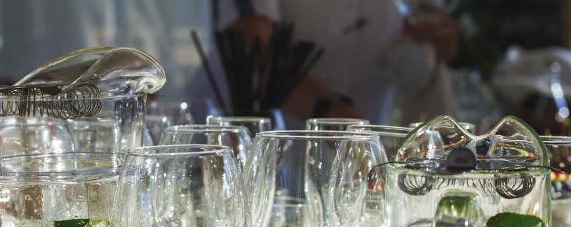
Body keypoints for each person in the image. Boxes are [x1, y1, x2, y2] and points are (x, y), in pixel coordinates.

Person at [194, 0, 459, 126]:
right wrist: (332, 114)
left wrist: (443, 41)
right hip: (251, 146)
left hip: (361, 154)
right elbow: (252, 50)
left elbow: (429, 44)